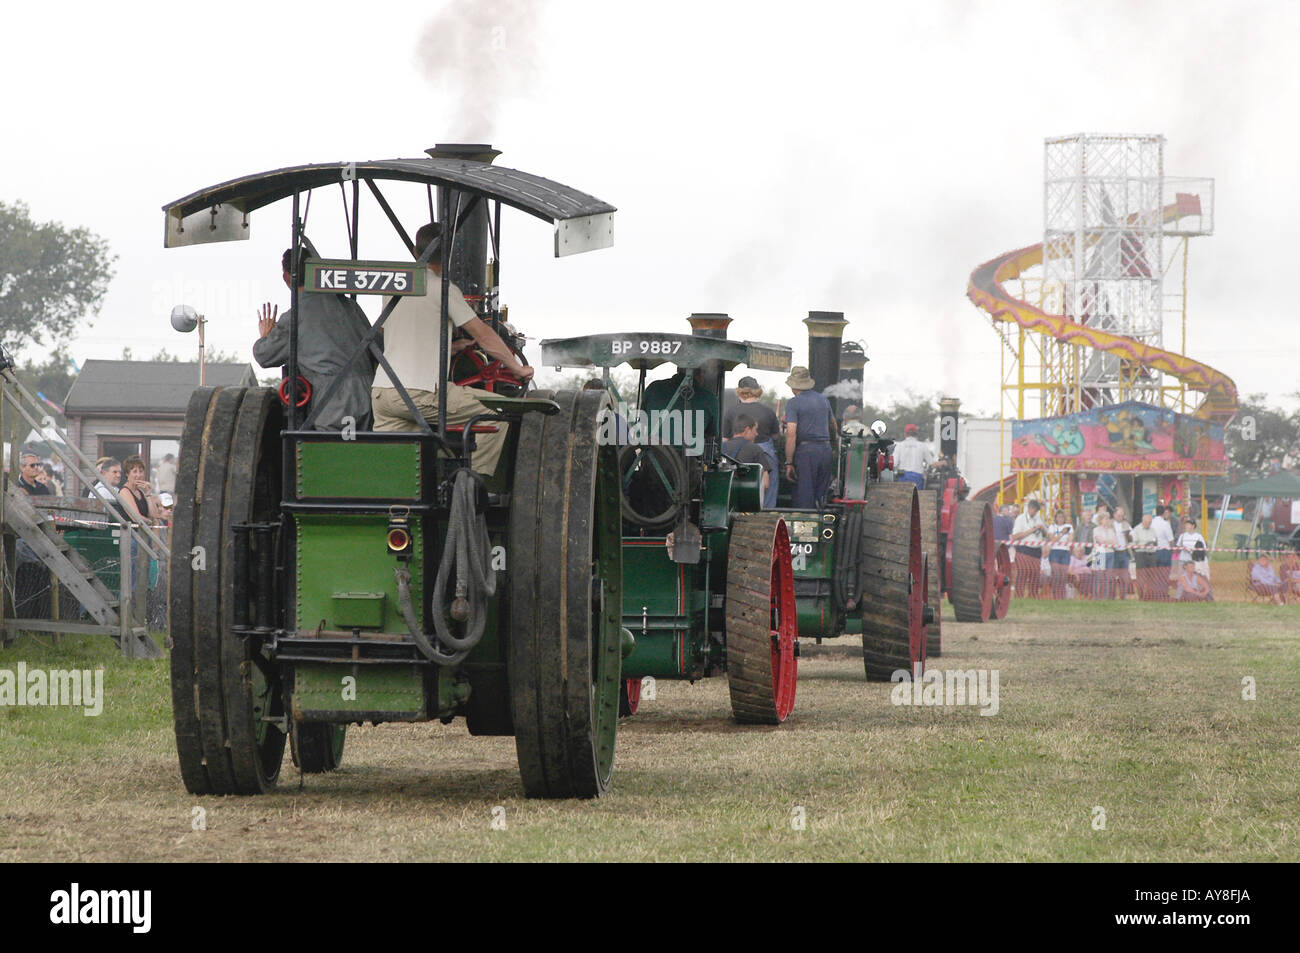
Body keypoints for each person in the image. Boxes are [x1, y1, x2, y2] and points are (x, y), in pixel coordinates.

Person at [369, 223, 534, 477]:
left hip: (382, 393)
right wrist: (517, 368)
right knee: (495, 418)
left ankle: (403, 503)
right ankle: (471, 490)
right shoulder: (443, 289)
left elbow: (386, 331)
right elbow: (484, 335)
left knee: (402, 464)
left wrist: (448, 348)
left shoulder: (394, 286)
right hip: (420, 393)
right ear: (448, 254)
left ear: (415, 251)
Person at [255, 246, 380, 432]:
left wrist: (265, 337)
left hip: (334, 399)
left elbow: (265, 356)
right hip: (368, 391)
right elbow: (377, 347)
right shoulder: (350, 306)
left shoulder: (295, 316)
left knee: (332, 453)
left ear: (286, 278)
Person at [782, 366, 835, 508]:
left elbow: (791, 434)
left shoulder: (793, 403)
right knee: (821, 495)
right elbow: (833, 426)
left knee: (804, 494)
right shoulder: (824, 400)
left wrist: (788, 462)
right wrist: (833, 445)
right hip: (826, 449)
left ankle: (806, 526)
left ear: (793, 386)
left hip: (806, 452)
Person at [721, 414, 774, 503]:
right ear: (747, 430)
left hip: (723, 501)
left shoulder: (721, 448)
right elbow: (765, 484)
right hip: (746, 503)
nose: (756, 434)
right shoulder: (756, 449)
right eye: (755, 430)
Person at [1009, 499, 1046, 598]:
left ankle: (1033, 596)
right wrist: (1032, 530)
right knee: (1022, 573)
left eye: (1037, 511)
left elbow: (1046, 535)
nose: (1036, 513)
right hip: (1024, 550)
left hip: (1037, 550)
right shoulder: (1020, 519)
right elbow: (1015, 536)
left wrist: (1042, 529)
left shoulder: (1039, 518)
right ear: (1030, 508)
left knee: (1035, 574)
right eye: (1035, 510)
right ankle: (1019, 596)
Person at [118, 454, 162, 523]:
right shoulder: (124, 491)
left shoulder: (141, 492)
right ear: (127, 474)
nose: (138, 475)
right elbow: (136, 517)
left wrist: (148, 494)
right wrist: (151, 522)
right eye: (135, 471)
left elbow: (154, 515)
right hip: (131, 531)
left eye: (141, 471)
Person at [894, 423, 936, 490]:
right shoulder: (922, 446)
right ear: (916, 433)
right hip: (917, 478)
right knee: (917, 498)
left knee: (902, 498)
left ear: (905, 434)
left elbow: (894, 463)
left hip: (903, 477)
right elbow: (932, 464)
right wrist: (943, 462)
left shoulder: (899, 446)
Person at [1131, 512, 1161, 600]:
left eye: (1150, 522)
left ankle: (1150, 595)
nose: (1149, 524)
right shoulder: (1136, 529)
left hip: (1151, 554)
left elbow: (1156, 540)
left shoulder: (1153, 529)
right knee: (1140, 575)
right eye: (1147, 522)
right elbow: (1134, 543)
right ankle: (1141, 596)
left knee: (1152, 575)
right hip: (1141, 554)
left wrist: (1153, 542)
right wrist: (1145, 544)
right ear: (1143, 521)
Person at [1045, 508, 1074, 599]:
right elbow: (1052, 539)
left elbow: (1070, 539)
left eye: (1062, 517)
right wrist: (1062, 533)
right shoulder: (1052, 527)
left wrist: (1060, 538)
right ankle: (1055, 594)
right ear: (1056, 518)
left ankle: (1062, 594)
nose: (1060, 519)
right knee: (1056, 573)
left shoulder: (1069, 526)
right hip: (1055, 551)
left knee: (1063, 573)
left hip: (1065, 551)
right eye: (1058, 517)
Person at [1093, 511, 1119, 599]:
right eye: (1105, 519)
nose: (1107, 520)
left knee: (1108, 577)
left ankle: (1106, 597)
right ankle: (1097, 597)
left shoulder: (1111, 530)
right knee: (1099, 576)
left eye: (1108, 519)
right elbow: (1101, 541)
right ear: (1100, 520)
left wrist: (1107, 542)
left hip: (1110, 553)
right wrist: (1109, 542)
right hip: (1100, 553)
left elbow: (1115, 542)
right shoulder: (1096, 530)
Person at [1112, 506, 1133, 597]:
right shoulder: (1110, 524)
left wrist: (1128, 534)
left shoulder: (1126, 524)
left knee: (1124, 575)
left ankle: (1123, 595)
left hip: (1124, 552)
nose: (1120, 517)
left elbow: (1131, 538)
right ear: (1114, 515)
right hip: (1114, 552)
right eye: (1118, 515)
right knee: (1113, 575)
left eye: (1122, 515)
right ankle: (1112, 594)